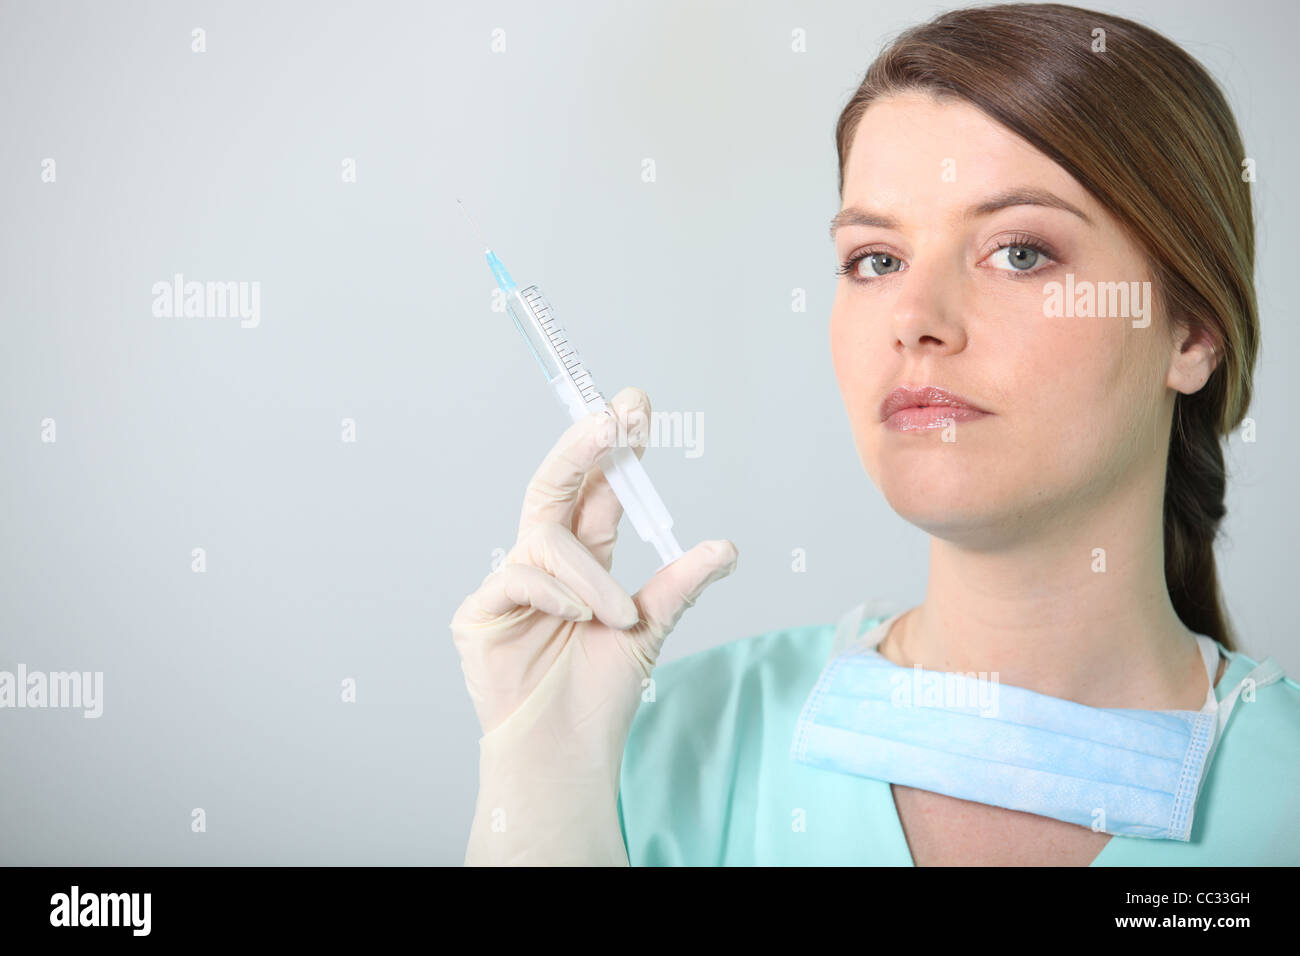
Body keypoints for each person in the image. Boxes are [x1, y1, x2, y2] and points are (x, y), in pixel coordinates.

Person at [451, 2, 1300, 866]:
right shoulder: (665, 745)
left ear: (1191, 331)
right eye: (877, 261)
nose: (915, 320)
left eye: (1018, 252)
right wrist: (543, 791)